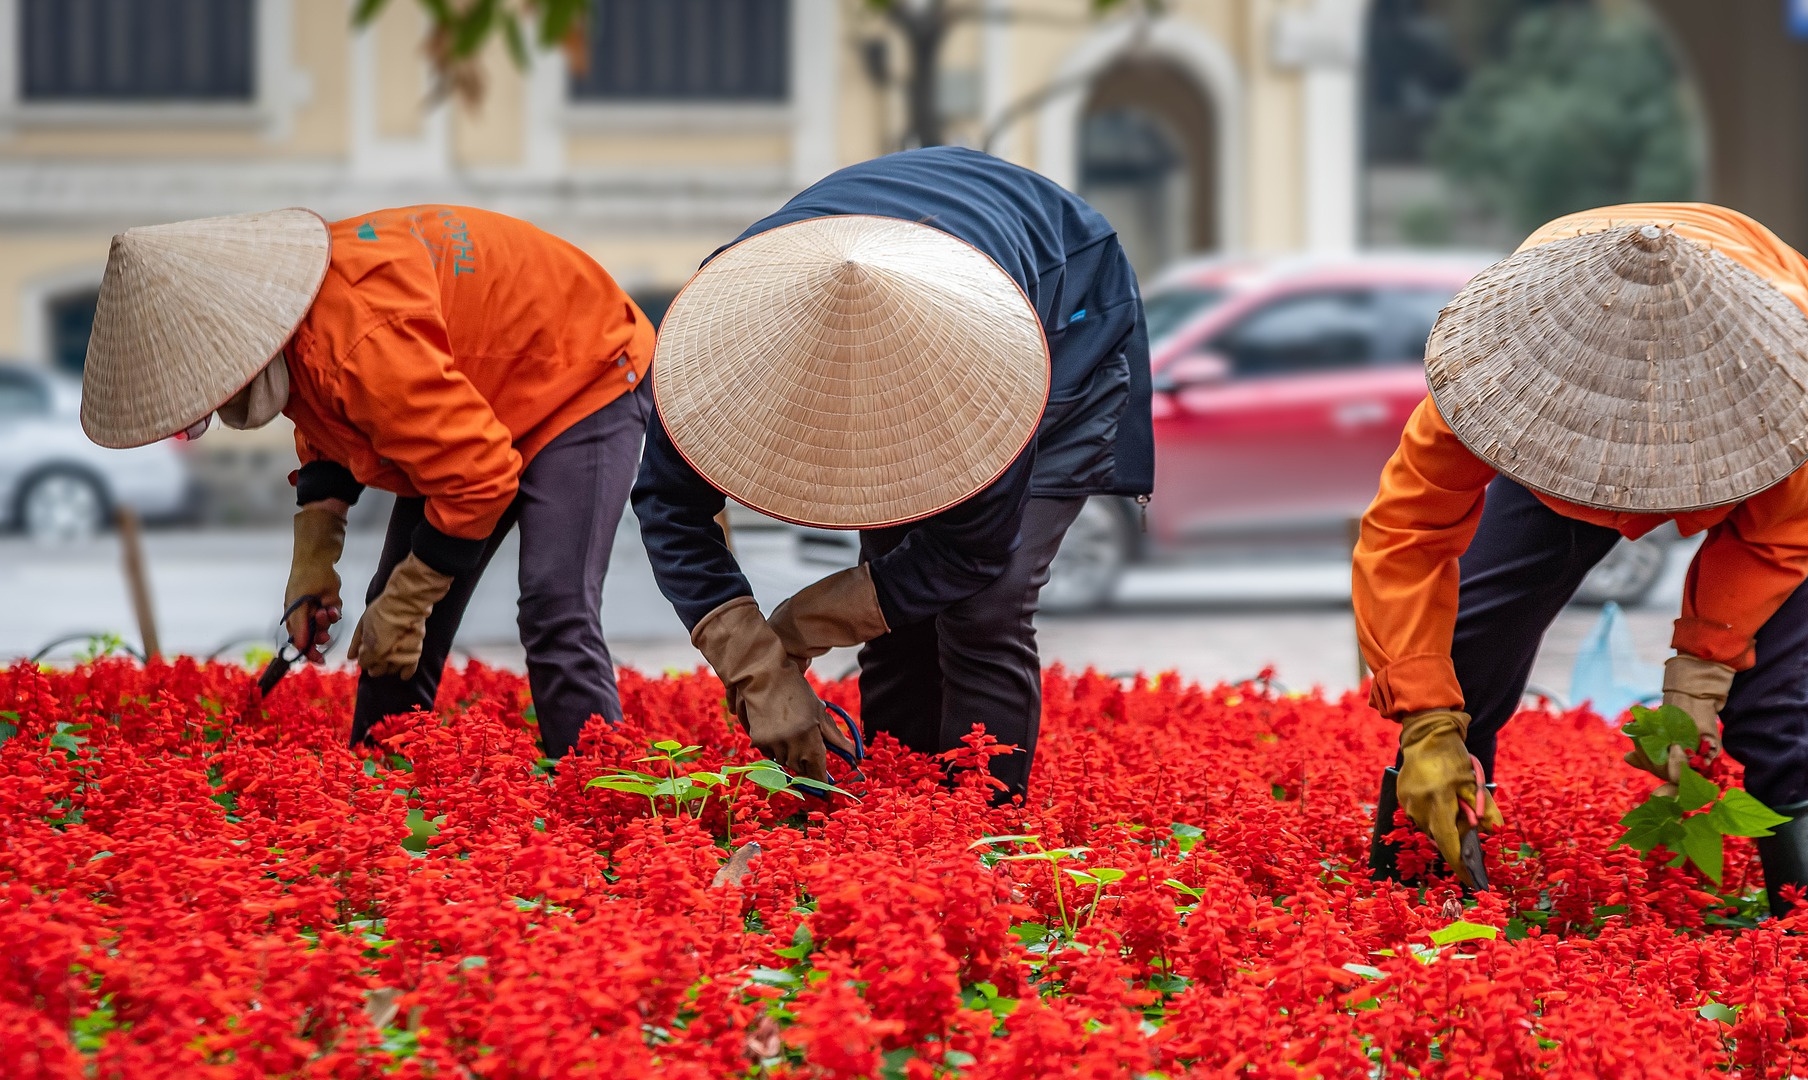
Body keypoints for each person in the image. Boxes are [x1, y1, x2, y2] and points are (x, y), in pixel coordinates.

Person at [1356, 203, 1808, 918]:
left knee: (1768, 687)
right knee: (1469, 646)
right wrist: (1428, 720)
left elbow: (1777, 538)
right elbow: (1407, 535)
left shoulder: (1777, 391)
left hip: (1755, 345)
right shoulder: (1497, 374)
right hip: (1564, 372)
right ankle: (1427, 886)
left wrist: (1704, 668)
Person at [631, 146, 1153, 801]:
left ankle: (980, 839)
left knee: (985, 609)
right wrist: (756, 669)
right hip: (913, 243)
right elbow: (668, 507)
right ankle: (891, 812)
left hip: (1065, 305)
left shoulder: (984, 363)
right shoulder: (713, 341)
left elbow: (970, 555)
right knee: (902, 614)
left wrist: (800, 625)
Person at [79, 206, 654, 756]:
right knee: (393, 609)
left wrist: (409, 602)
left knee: (554, 605)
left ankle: (601, 801)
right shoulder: (302, 328)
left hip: (585, 371)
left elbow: (477, 478)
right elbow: (327, 424)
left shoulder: (358, 340)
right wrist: (314, 561)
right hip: (481, 401)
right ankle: (387, 779)